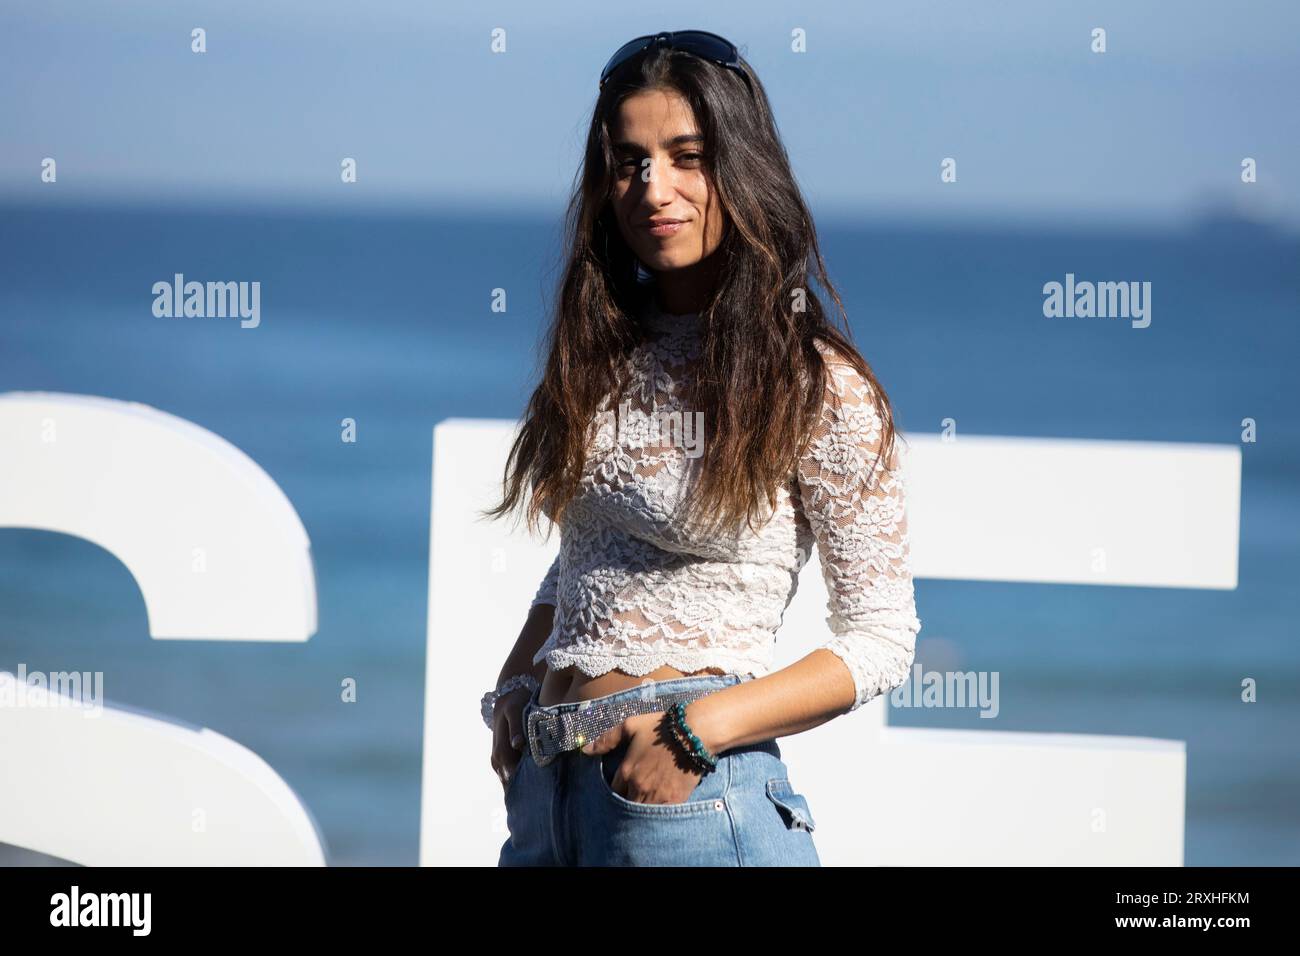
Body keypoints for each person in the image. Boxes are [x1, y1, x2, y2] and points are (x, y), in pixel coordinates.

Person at [479, 30, 922, 866]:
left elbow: (880, 638)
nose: (656, 188)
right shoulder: (602, 351)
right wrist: (514, 684)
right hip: (550, 799)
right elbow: (590, 550)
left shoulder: (813, 383)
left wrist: (695, 730)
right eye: (629, 161)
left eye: (689, 156)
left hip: (690, 802)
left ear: (743, 168)